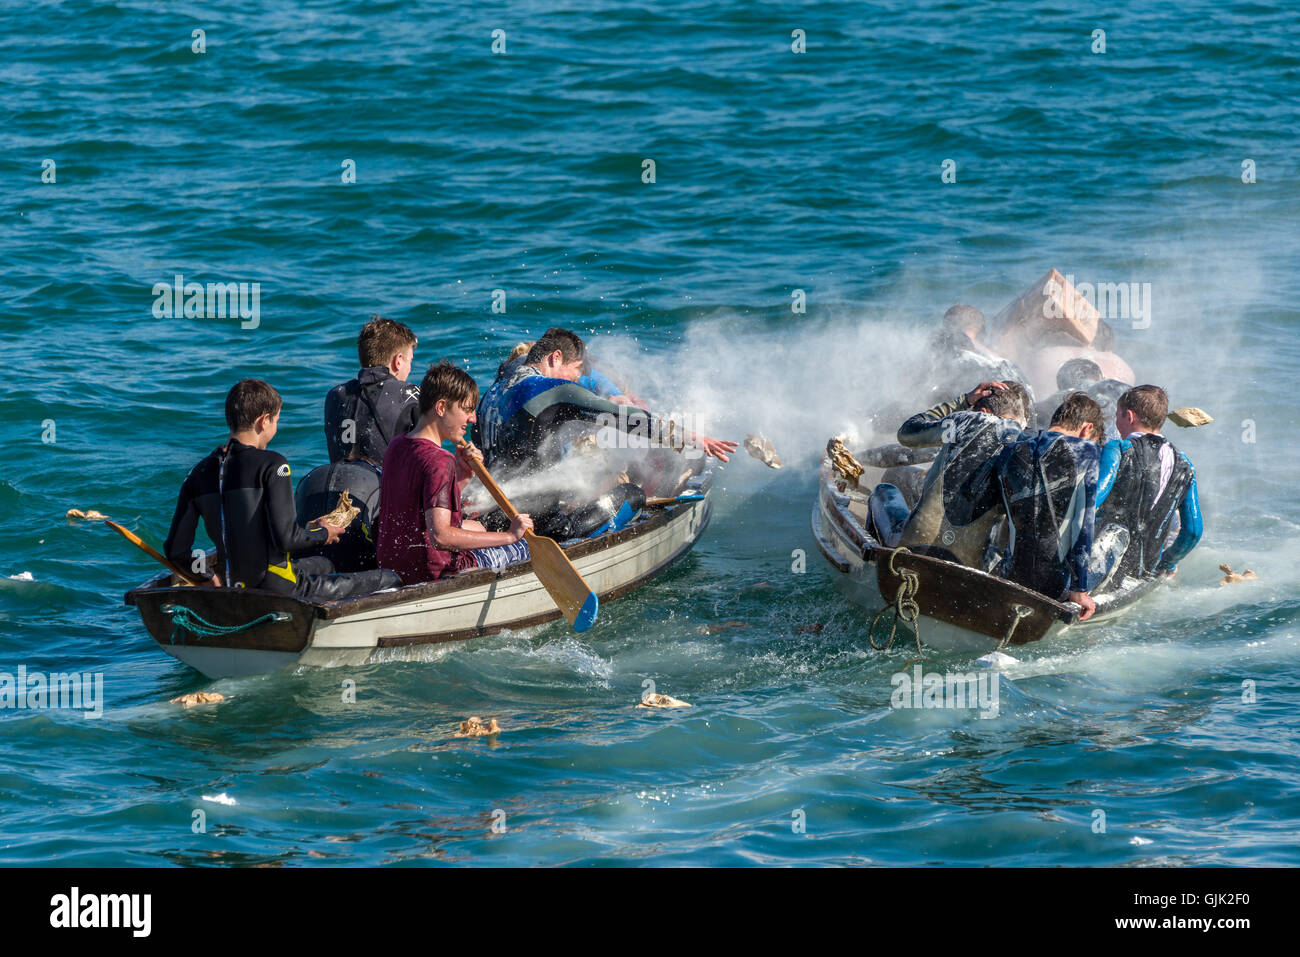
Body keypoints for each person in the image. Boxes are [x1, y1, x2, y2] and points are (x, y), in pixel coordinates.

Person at [163, 379, 401, 599]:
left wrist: (205, 576)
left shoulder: (198, 473)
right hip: (279, 586)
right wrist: (323, 534)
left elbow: (176, 551)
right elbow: (286, 540)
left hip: (230, 582)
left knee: (325, 564)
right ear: (263, 420)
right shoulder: (272, 465)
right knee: (390, 578)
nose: (275, 427)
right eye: (276, 420)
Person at [474, 327, 737, 473]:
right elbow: (625, 419)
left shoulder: (498, 387)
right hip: (533, 519)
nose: (576, 380)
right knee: (631, 497)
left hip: (495, 501)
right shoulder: (555, 388)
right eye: (576, 370)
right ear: (554, 358)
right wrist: (690, 438)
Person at [376, 361, 535, 585]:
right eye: (467, 410)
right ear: (441, 408)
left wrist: (462, 475)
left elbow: (421, 509)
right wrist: (510, 536)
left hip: (395, 566)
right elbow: (441, 536)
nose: (473, 419)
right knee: (524, 547)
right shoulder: (440, 460)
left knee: (478, 527)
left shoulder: (397, 445)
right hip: (434, 571)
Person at [868, 380, 1030, 567]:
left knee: (883, 491)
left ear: (984, 412)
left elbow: (907, 432)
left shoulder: (966, 420)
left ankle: (874, 567)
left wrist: (965, 401)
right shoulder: (1026, 446)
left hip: (916, 546)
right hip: (967, 564)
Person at [984, 392, 1106, 619]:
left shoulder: (1011, 449)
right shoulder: (1086, 450)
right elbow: (1083, 524)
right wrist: (1079, 590)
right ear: (1087, 429)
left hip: (1011, 578)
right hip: (1054, 587)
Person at [1091, 385, 1202, 589]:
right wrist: (1167, 563)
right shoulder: (1185, 465)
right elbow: (1193, 531)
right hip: (1144, 573)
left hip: (1100, 569)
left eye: (1118, 416)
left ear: (1130, 417)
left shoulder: (1119, 449)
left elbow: (1092, 500)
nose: (1116, 423)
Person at [323, 316, 421, 465]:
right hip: (384, 486)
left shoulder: (335, 395)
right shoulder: (410, 394)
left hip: (337, 483)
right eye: (410, 361)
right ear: (398, 361)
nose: (410, 369)